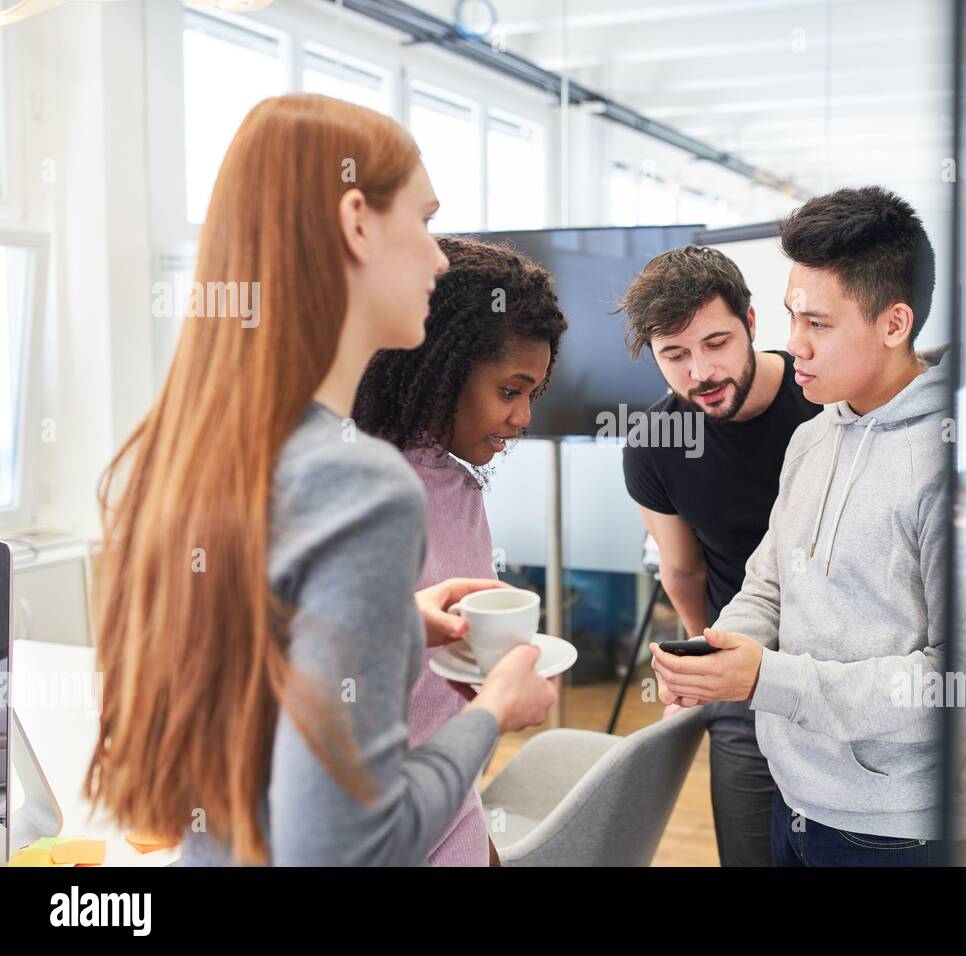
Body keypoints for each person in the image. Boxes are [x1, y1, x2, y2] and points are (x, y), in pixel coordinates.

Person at [84, 94, 555, 866]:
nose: (440, 257)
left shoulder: (193, 448)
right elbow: (343, 844)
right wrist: (491, 714)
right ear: (358, 223)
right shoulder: (360, 483)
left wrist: (395, 622)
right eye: (425, 221)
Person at [650, 186, 963, 866]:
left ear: (894, 323)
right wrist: (719, 652)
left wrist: (767, 681)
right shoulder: (814, 437)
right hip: (795, 798)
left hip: (894, 825)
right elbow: (768, 582)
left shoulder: (948, 464)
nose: (793, 348)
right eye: (793, 319)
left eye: (817, 325)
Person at [352, 236, 567, 865]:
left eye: (534, 393)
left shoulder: (455, 485)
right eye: (510, 390)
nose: (525, 417)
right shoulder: (347, 492)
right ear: (442, 371)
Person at [617, 245, 820, 866]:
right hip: (741, 670)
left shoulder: (822, 401)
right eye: (674, 355)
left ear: (752, 326)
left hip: (839, 657)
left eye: (715, 343)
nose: (700, 371)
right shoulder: (653, 442)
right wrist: (706, 655)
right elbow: (681, 569)